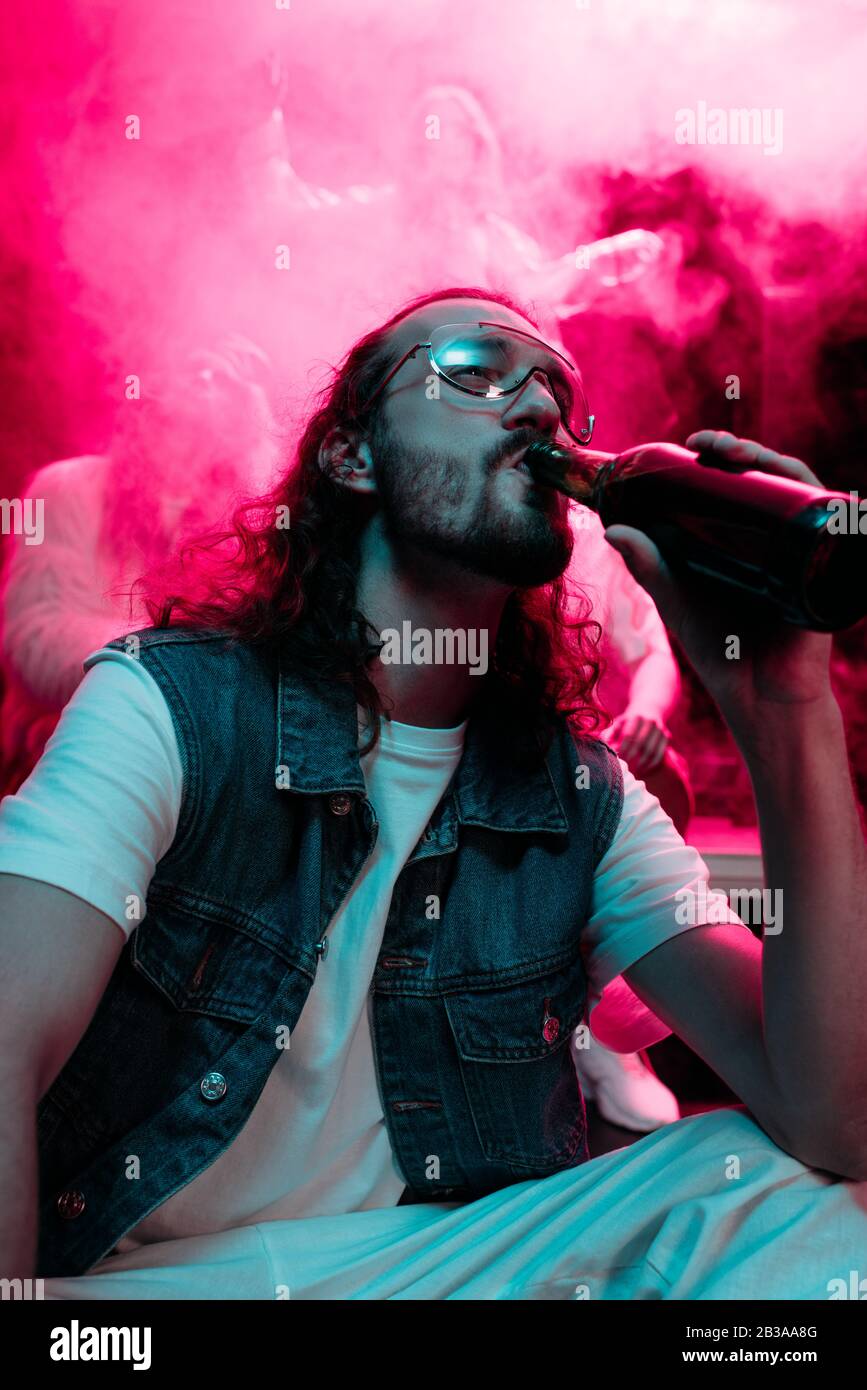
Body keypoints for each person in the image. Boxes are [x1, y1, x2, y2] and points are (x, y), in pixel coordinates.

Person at [1, 287, 866, 1302]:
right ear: (352, 455)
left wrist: (786, 712)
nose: (538, 406)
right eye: (474, 369)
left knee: (798, 1193)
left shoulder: (580, 797)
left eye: (555, 386)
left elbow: (835, 1121)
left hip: (439, 1272)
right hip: (151, 1294)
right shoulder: (168, 708)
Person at [0, 337, 278, 795]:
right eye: (192, 366)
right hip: (62, 762)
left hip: (186, 785)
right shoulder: (64, 488)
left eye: (227, 377)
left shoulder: (249, 520)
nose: (206, 381)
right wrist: (177, 655)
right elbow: (34, 637)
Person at [563, 515, 688, 1131]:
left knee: (662, 778)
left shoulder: (588, 530)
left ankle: (609, 1032)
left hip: (575, 762)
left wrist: (644, 714)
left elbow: (656, 656)